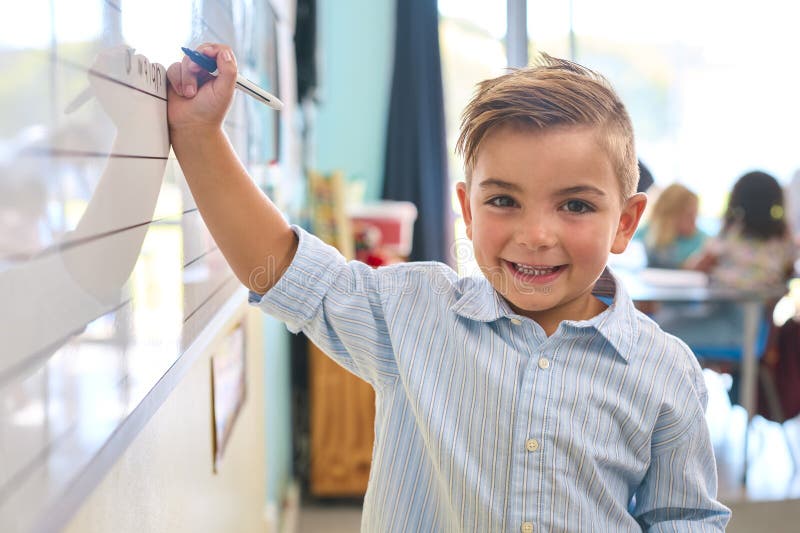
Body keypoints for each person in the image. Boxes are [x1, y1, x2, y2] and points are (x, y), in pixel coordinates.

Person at [166, 43, 730, 531]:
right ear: (466, 208)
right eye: (503, 200)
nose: (535, 235)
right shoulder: (413, 312)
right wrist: (197, 134)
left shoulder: (665, 371)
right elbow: (282, 268)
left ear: (626, 223)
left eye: (576, 205)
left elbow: (684, 519)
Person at [657, 171, 796, 355]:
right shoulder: (784, 239)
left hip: (728, 325)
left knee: (658, 327)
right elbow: (786, 279)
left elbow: (695, 267)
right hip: (758, 331)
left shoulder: (732, 233)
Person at [635, 183, 708, 269]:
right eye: (689, 215)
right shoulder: (643, 235)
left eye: (696, 215)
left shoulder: (703, 241)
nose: (694, 222)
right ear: (670, 215)